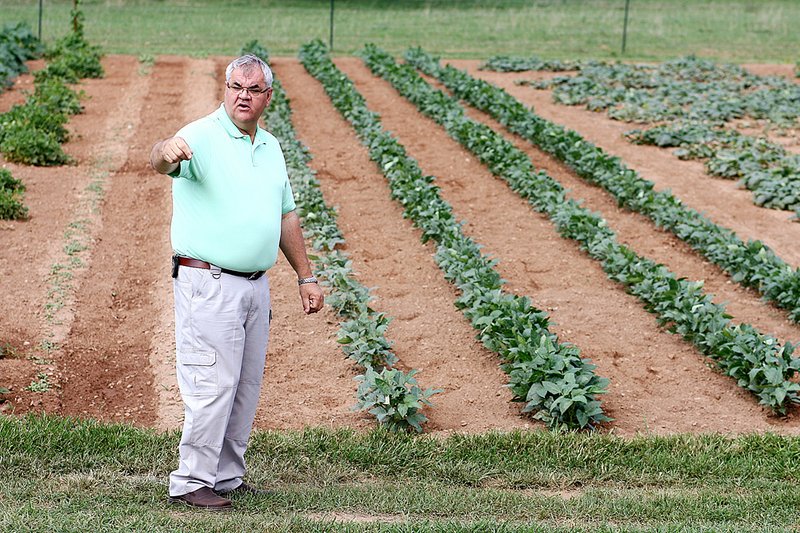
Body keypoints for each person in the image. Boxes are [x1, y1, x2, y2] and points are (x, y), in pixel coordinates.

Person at [149, 54, 324, 511]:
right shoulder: (201, 135)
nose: (243, 95)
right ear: (225, 89)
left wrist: (305, 276)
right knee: (211, 383)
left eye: (253, 89)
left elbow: (284, 215)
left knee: (244, 386)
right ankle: (190, 481)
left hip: (253, 285)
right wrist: (166, 150)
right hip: (209, 282)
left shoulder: (269, 147)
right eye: (236, 86)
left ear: (268, 96)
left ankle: (225, 476)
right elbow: (162, 159)